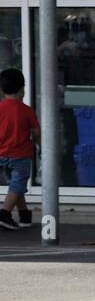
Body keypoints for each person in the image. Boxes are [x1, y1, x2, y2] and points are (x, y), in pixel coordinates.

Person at [0, 68, 39, 231]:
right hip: (20, 155)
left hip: (2, 153)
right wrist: (40, 146)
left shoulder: (0, 108)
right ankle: (4, 213)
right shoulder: (27, 111)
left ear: (1, 90)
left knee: (16, 185)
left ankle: (24, 214)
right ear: (23, 89)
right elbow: (36, 132)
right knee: (18, 185)